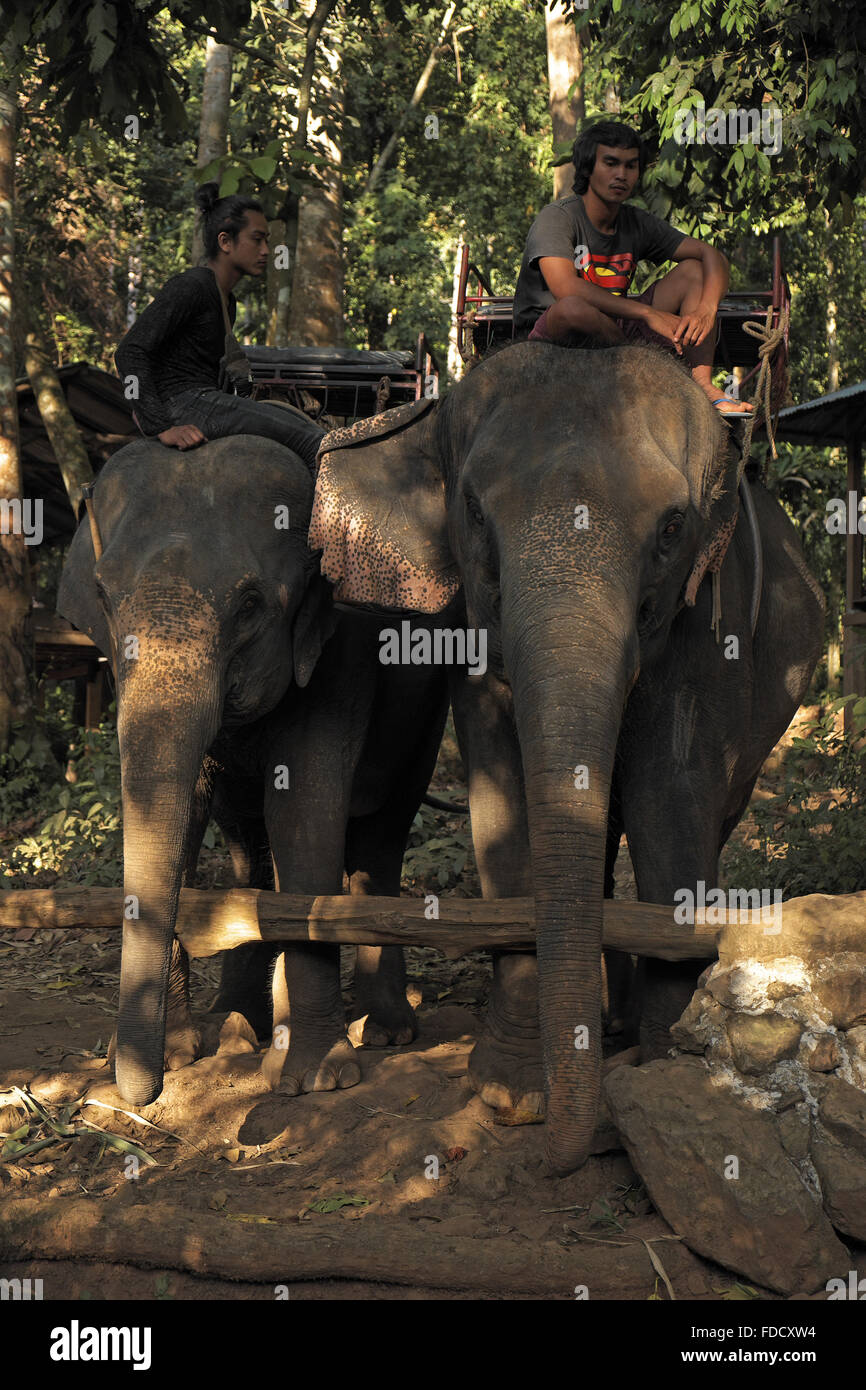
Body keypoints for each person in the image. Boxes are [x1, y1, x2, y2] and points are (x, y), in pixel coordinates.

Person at [513, 119, 752, 416]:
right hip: (554, 331)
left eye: (630, 166)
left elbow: (710, 255)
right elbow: (565, 289)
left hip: (613, 327)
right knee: (573, 308)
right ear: (587, 168)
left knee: (694, 270)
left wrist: (706, 310)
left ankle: (701, 384)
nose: (621, 175)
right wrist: (649, 314)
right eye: (610, 163)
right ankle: (642, 363)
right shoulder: (558, 217)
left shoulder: (635, 221)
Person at [115, 183, 326, 468]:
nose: (266, 250)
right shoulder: (192, 286)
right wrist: (160, 425)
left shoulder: (226, 300)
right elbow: (130, 351)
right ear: (225, 242)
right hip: (186, 404)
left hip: (203, 400)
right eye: (257, 239)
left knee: (304, 426)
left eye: (267, 241)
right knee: (315, 442)